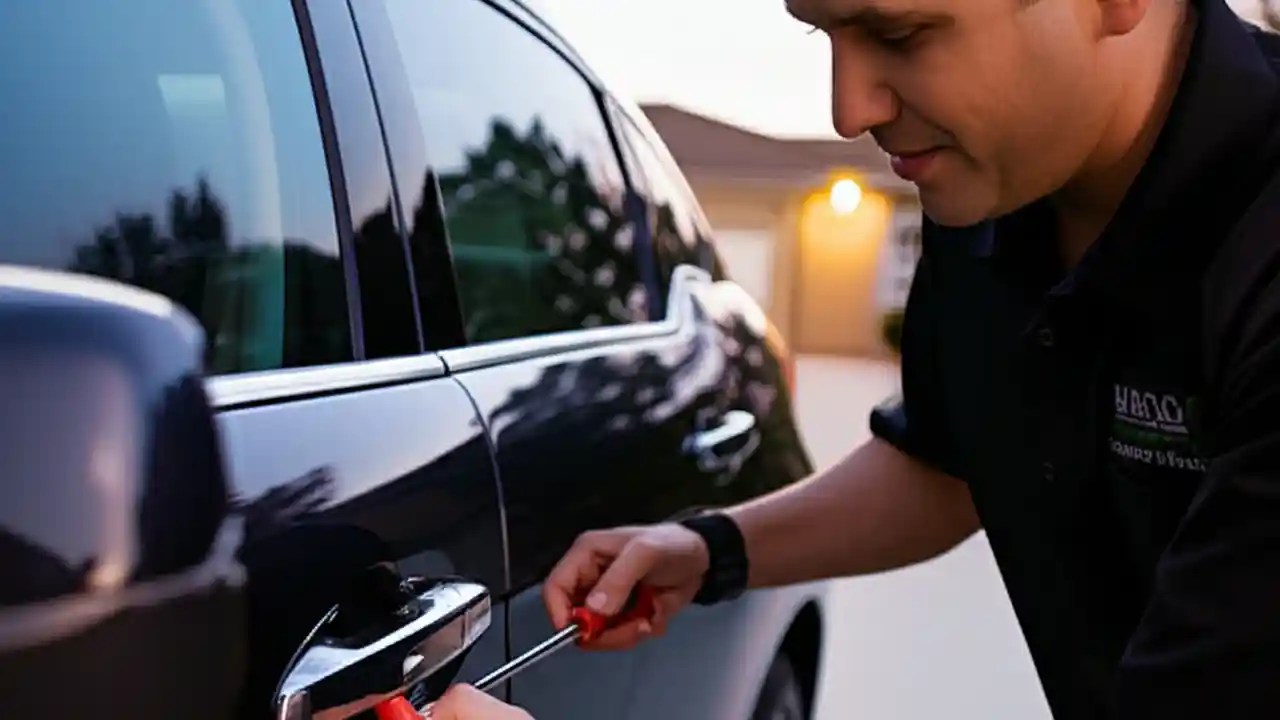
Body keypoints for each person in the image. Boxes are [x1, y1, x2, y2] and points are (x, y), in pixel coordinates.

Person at [440, 0, 1280, 716]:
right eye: (821, 33)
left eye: (902, 32)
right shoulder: (992, 196)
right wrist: (709, 549)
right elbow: (953, 460)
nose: (850, 108)